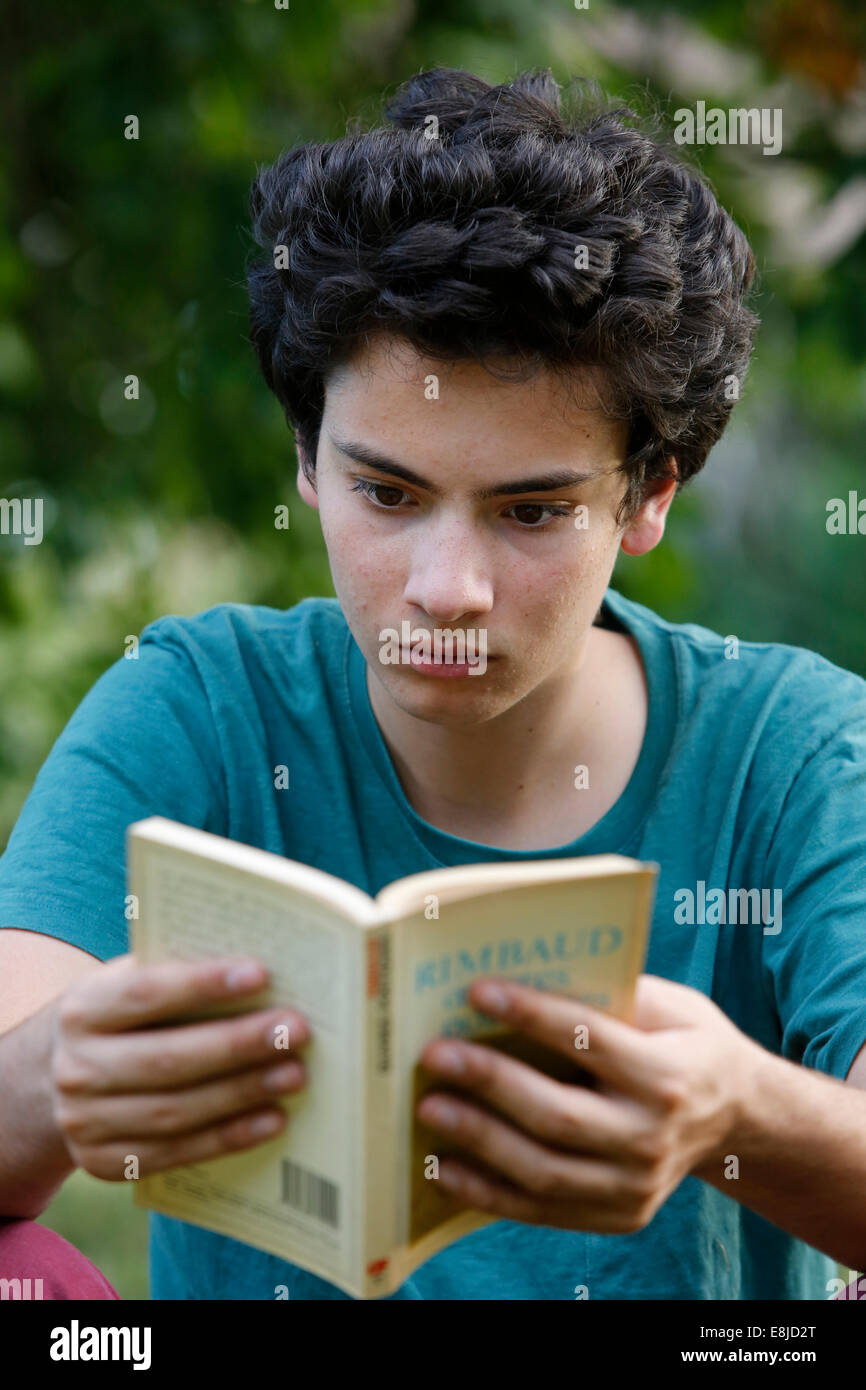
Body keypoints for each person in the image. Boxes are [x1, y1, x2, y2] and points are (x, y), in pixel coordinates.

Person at [0, 67, 865, 1302]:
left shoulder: (796, 753)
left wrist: (740, 1112)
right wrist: (56, 1080)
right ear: (306, 458)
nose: (444, 587)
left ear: (649, 492)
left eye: (531, 511)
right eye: (387, 495)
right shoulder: (195, 705)